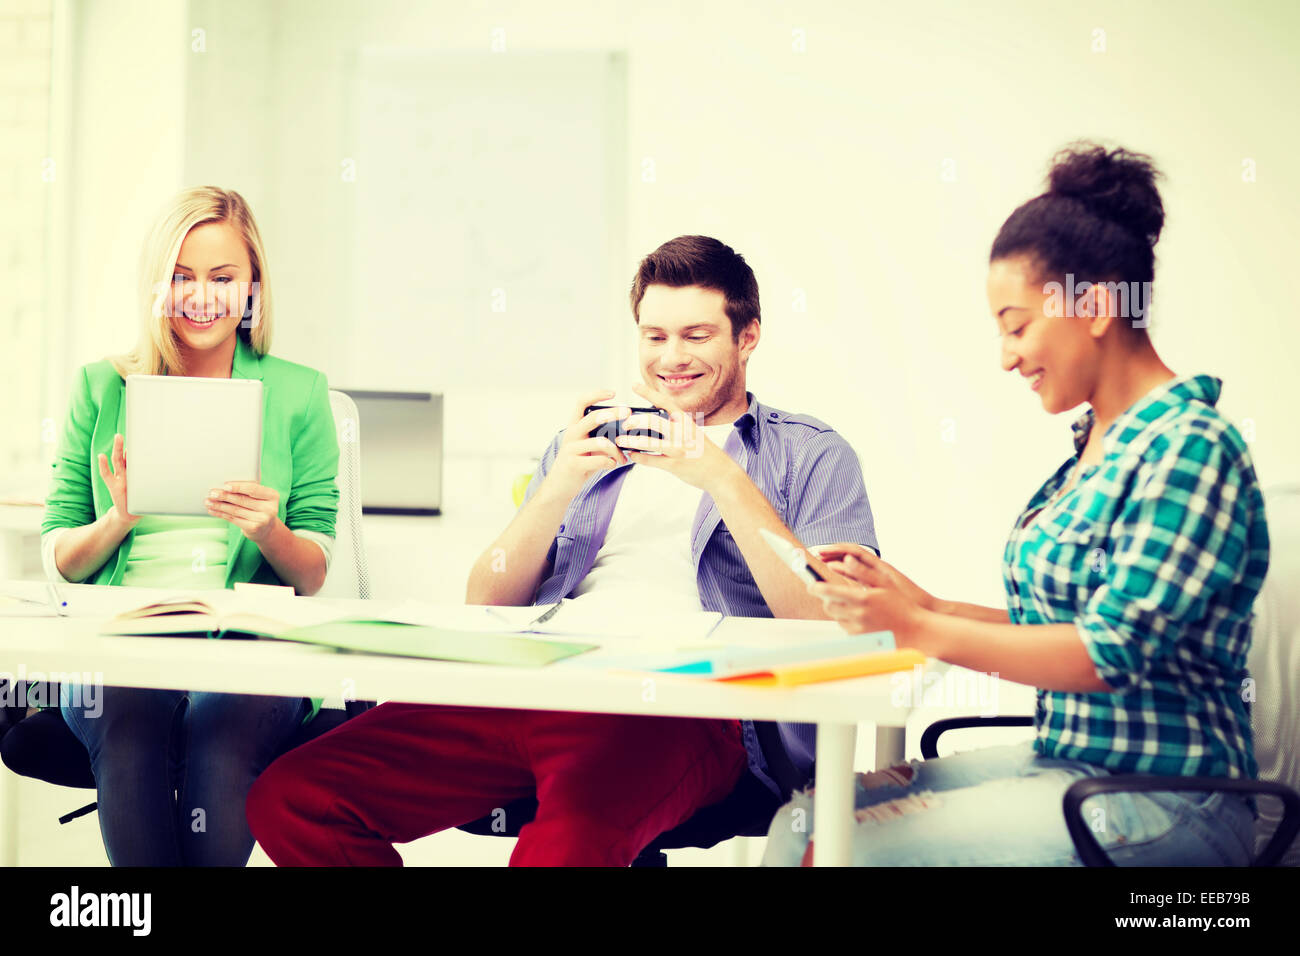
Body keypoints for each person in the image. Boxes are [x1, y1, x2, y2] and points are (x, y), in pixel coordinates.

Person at [246, 235, 879, 866]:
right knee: (294, 796)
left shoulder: (812, 455)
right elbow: (486, 600)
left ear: (747, 338)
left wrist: (719, 476)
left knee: (563, 851)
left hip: (677, 702)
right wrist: (560, 484)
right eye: (654, 336)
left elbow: (834, 623)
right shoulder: (587, 443)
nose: (671, 358)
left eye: (697, 335)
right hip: (533, 678)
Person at [763, 143, 1269, 866]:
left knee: (848, 851)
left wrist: (917, 629)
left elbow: (1106, 652)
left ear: (1093, 305)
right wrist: (925, 606)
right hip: (1067, 766)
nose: (1005, 356)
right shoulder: (1098, 444)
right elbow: (1061, 625)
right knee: (803, 822)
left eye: (1017, 323)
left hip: (1166, 800)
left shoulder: (1190, 447)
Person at [41, 186, 340, 866]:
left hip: (245, 647)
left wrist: (270, 531)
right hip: (118, 642)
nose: (200, 296)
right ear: (157, 286)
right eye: (181, 277)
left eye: (222, 278)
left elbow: (315, 570)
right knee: (125, 717)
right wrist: (119, 518)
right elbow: (59, 556)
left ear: (253, 288)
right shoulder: (100, 388)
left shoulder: (299, 394)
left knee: (222, 724)